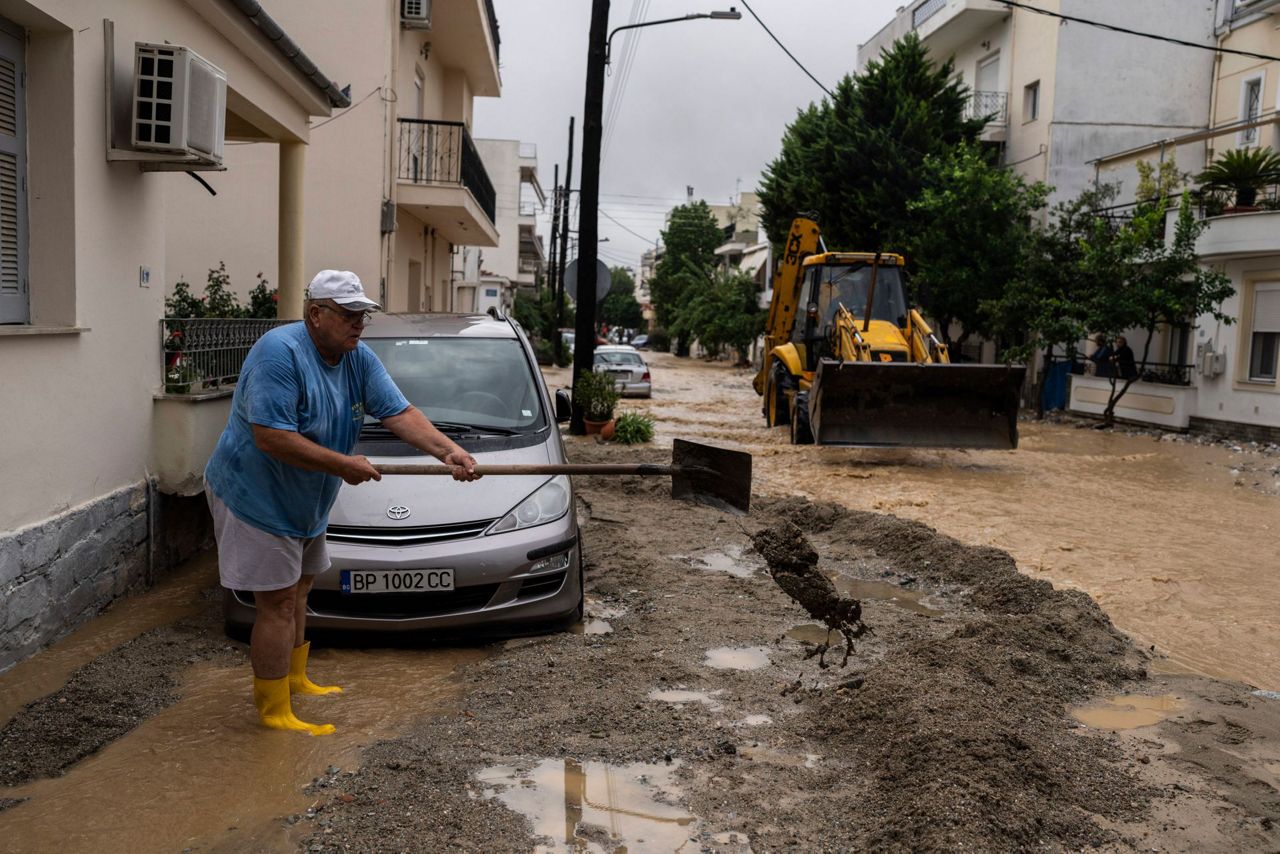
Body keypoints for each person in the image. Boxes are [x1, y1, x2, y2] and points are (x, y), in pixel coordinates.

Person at [205, 270, 480, 736]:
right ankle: (273, 711)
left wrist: (447, 450)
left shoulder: (357, 357)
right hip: (256, 494)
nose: (359, 324)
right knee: (276, 604)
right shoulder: (280, 352)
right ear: (316, 313)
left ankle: (293, 680)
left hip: (307, 496)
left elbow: (399, 412)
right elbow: (271, 437)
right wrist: (342, 465)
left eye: (363, 315)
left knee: (301, 591)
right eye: (350, 315)